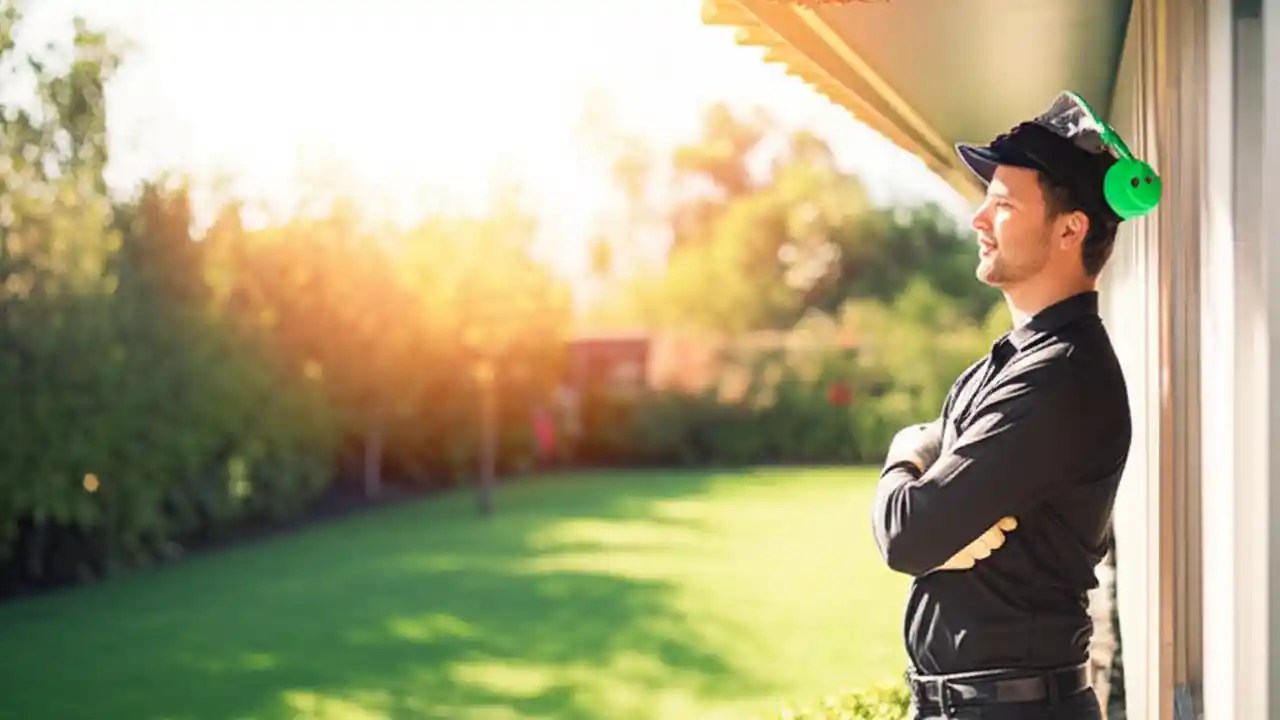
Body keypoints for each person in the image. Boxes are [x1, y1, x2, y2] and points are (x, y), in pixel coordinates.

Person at [871, 92, 1158, 719]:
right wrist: (929, 495)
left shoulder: (1060, 376)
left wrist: (903, 453)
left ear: (1069, 229)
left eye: (1002, 204)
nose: (978, 219)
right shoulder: (1007, 364)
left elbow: (907, 534)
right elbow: (924, 527)